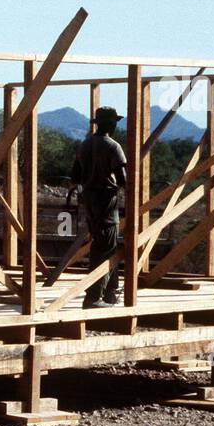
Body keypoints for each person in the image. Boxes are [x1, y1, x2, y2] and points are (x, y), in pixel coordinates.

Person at [71, 106, 128, 309]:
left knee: (105, 244)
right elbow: (122, 179)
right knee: (104, 249)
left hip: (90, 199)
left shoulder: (84, 145)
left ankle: (111, 292)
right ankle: (93, 297)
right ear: (111, 124)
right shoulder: (113, 147)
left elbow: (74, 176)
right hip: (106, 199)